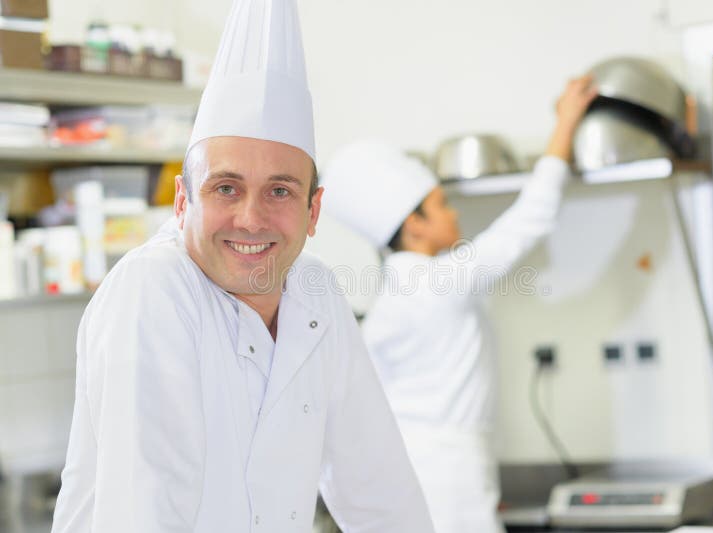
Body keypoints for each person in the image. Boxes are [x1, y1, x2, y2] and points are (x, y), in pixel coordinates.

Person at [50, 1, 435, 532]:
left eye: (280, 190)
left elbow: (381, 493)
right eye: (226, 187)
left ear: (313, 210)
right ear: (183, 202)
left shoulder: (315, 292)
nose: (251, 219)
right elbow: (146, 511)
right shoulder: (152, 290)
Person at [322, 76, 597, 533]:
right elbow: (532, 217)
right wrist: (566, 121)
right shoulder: (441, 282)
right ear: (415, 226)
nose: (454, 213)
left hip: (405, 470)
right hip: (451, 476)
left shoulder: (388, 303)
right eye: (442, 204)